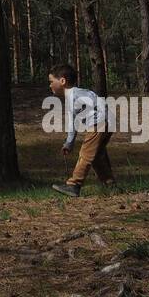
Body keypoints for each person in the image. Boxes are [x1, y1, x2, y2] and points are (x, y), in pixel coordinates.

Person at [47, 63, 115, 197]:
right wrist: (69, 143)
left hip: (99, 123)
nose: (50, 85)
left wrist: (102, 118)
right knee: (95, 157)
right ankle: (110, 185)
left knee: (85, 153)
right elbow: (73, 124)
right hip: (105, 123)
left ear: (62, 81)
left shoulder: (76, 94)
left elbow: (96, 101)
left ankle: (74, 185)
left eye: (51, 81)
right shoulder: (73, 97)